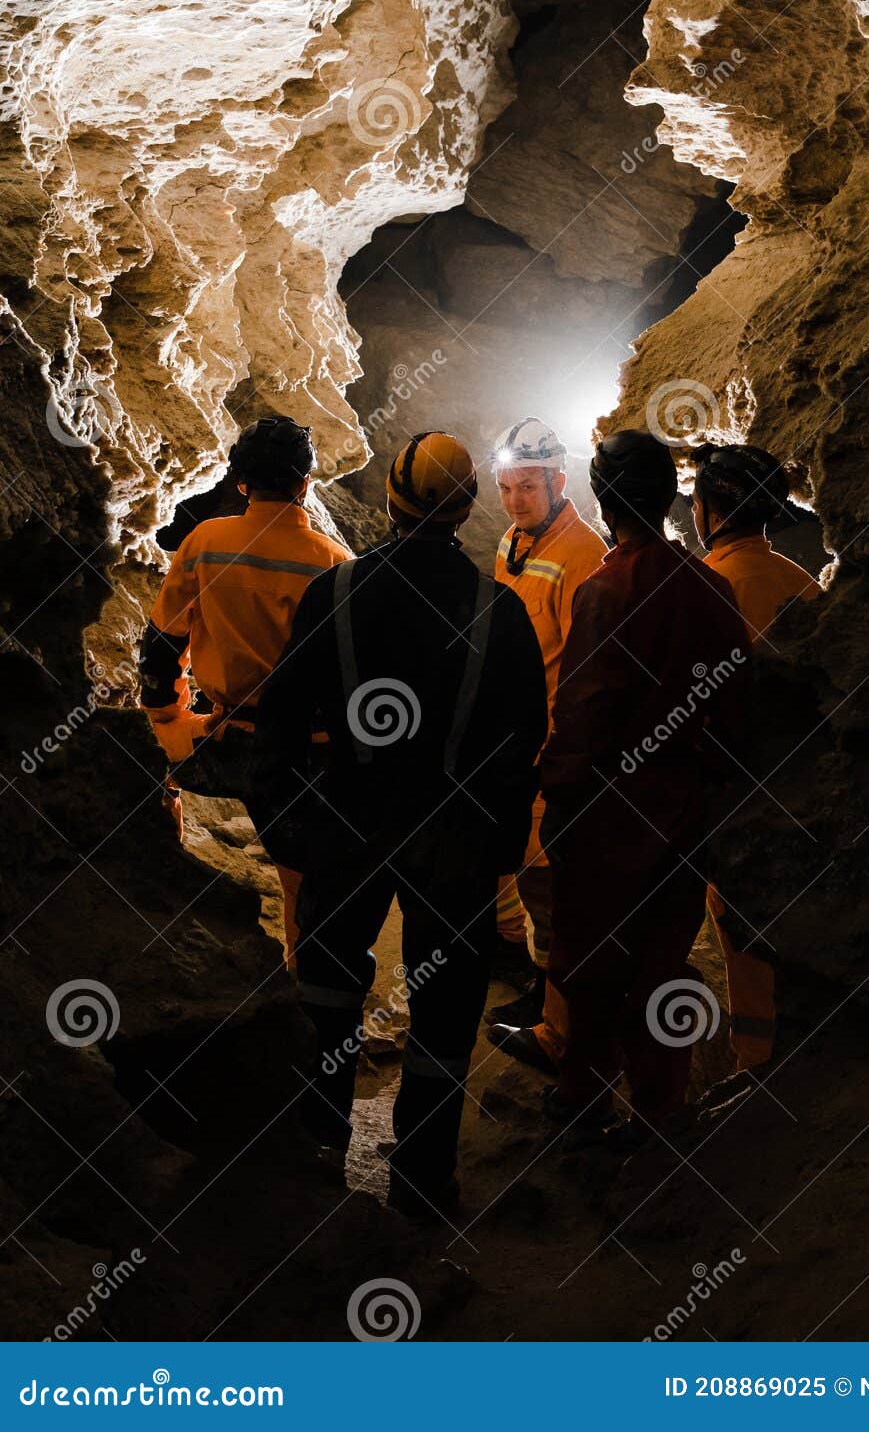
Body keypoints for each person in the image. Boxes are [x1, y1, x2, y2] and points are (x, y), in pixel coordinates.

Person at [251, 431, 547, 1219]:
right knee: (445, 1006)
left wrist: (288, 829)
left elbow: (281, 721)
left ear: (390, 499)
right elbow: (521, 741)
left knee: (327, 989)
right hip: (451, 833)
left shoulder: (337, 592)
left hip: (347, 818)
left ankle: (318, 1146)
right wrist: (495, 846)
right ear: (467, 508)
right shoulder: (497, 610)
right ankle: (421, 1176)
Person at [538, 431, 750, 1144]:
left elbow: (584, 712)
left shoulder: (606, 591)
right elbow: (732, 709)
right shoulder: (710, 588)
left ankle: (584, 1096)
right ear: (668, 499)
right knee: (663, 960)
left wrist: (558, 798)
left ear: (603, 500)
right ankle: (660, 1112)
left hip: (608, 813)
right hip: (684, 810)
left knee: (590, 959)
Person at [139, 416, 349, 968]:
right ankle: (302, 973)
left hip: (222, 739)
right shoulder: (334, 564)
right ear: (305, 484)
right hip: (300, 753)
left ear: (241, 482)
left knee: (141, 756)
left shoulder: (205, 543)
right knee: (302, 882)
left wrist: (169, 717)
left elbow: (162, 646)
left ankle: (162, 884)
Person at [692, 442, 821, 1072]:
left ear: (711, 510)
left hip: (730, 787)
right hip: (800, 781)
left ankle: (753, 1060)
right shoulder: (799, 582)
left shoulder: (706, 587)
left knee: (738, 922)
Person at [485, 417, 607, 1077]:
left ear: (559, 481)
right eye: (505, 488)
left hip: (550, 751)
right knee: (522, 874)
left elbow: (583, 672)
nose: (514, 501)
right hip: (512, 744)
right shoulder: (512, 542)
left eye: (527, 487)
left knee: (549, 886)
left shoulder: (582, 554)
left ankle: (558, 1016)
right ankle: (538, 984)